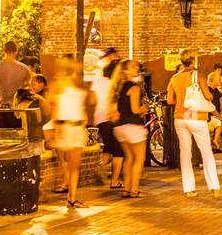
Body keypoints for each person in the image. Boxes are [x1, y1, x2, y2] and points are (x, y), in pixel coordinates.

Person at [166, 49, 221, 199]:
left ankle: (189, 189)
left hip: (180, 118)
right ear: (194, 60)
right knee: (206, 152)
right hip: (197, 118)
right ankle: (214, 186)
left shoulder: (175, 78)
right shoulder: (198, 76)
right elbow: (209, 96)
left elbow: (170, 100)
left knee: (185, 154)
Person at [46, 55, 94, 209]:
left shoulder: (77, 83)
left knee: (74, 165)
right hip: (65, 126)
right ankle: (70, 196)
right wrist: (53, 129)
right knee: (66, 163)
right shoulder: (57, 83)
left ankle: (72, 198)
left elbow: (89, 101)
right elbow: (49, 106)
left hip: (78, 126)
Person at [112, 58, 147, 198]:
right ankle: (134, 189)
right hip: (133, 127)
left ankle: (126, 188)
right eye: (133, 67)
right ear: (125, 71)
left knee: (129, 158)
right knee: (139, 159)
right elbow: (135, 109)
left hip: (120, 128)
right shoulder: (134, 87)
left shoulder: (119, 87)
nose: (136, 68)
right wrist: (144, 107)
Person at [92, 48, 124, 190]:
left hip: (100, 119)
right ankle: (114, 181)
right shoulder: (117, 85)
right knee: (118, 151)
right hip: (114, 118)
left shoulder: (97, 81)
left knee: (108, 149)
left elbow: (92, 100)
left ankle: (99, 169)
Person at [0, 41, 32, 107]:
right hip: (18, 109)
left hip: (2, 109)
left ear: (4, 51)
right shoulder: (24, 68)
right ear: (16, 52)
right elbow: (31, 88)